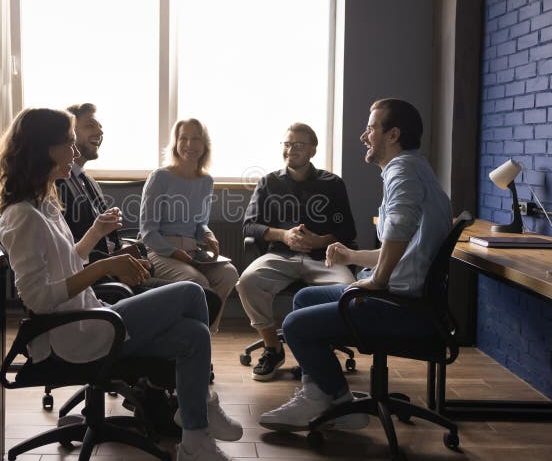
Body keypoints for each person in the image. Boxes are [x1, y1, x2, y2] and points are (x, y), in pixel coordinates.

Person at [0, 108, 242, 461]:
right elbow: (38, 298)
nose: (75, 153)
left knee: (194, 336)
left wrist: (95, 233)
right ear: (47, 149)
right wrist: (106, 266)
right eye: (69, 144)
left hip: (92, 316)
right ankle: (199, 405)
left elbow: (69, 260)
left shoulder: (44, 204)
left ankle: (195, 436)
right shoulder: (22, 216)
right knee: (191, 291)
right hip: (74, 335)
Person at [259, 98, 452, 433]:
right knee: (304, 299)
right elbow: (406, 249)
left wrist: (374, 281)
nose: (364, 136)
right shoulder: (415, 166)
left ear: (392, 135)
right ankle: (317, 392)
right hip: (409, 295)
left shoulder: (402, 172)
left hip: (400, 305)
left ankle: (340, 402)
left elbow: (398, 232)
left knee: (294, 325)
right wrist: (351, 257)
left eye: (371, 128)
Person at [236, 122, 357, 381]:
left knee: (349, 290)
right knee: (247, 282)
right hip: (281, 255)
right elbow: (249, 225)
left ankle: (318, 351)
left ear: (313, 150)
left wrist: (318, 241)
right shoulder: (268, 182)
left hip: (323, 257)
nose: (292, 149)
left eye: (299, 145)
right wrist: (285, 235)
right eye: (288, 144)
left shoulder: (332, 183)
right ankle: (272, 347)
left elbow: (347, 230)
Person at [139, 118, 238, 331]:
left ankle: (207, 335)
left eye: (196, 139)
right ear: (175, 142)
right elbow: (148, 232)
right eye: (183, 138)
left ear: (205, 145)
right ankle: (191, 339)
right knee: (197, 282)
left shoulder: (206, 181)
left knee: (229, 274)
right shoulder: (160, 177)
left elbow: (200, 223)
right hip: (160, 250)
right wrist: (174, 252)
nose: (189, 145)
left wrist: (208, 234)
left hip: (192, 250)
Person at [56, 103, 121, 263]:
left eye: (100, 127)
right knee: (189, 287)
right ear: (69, 133)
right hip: (94, 275)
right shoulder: (56, 184)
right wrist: (111, 264)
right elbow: (67, 247)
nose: (100, 132)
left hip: (111, 266)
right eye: (90, 126)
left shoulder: (89, 181)